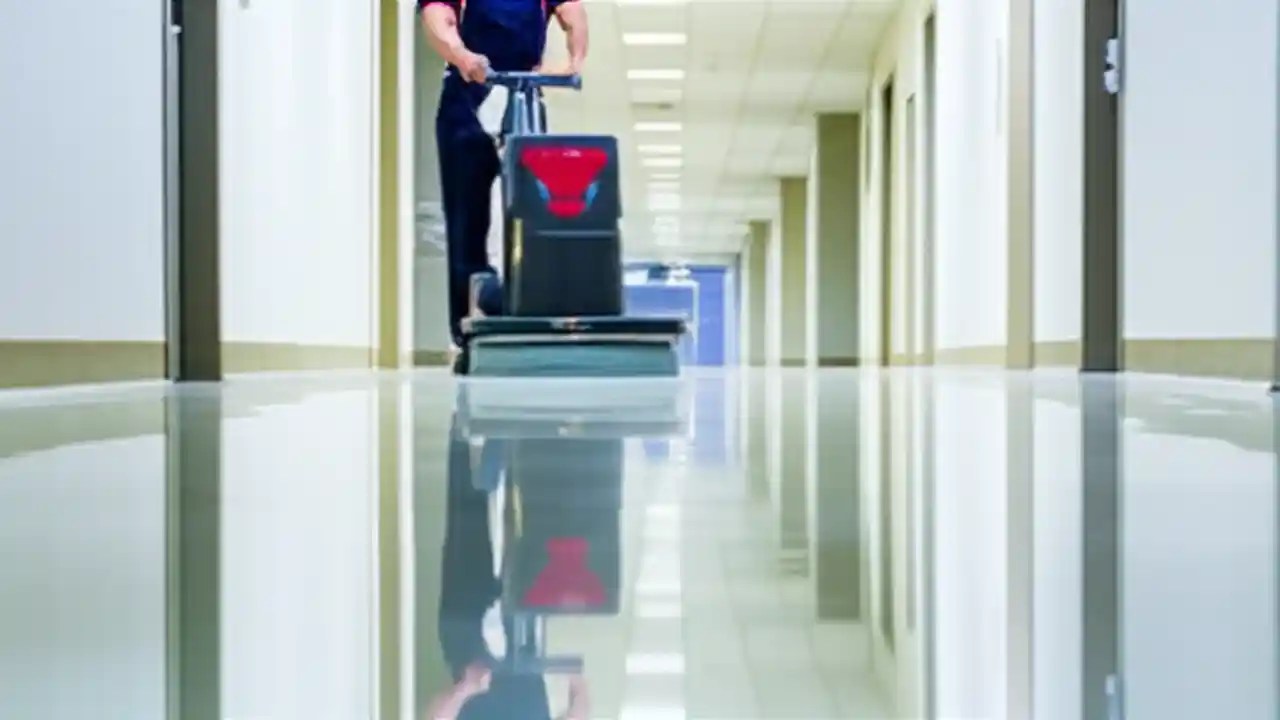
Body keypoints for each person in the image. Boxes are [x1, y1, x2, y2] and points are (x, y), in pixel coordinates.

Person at [418, 0, 589, 374]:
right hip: (467, 95)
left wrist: (575, 61)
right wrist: (461, 55)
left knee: (534, 215)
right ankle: (465, 332)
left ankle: (531, 312)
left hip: (524, 94)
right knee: (467, 219)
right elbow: (437, 16)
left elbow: (573, 13)